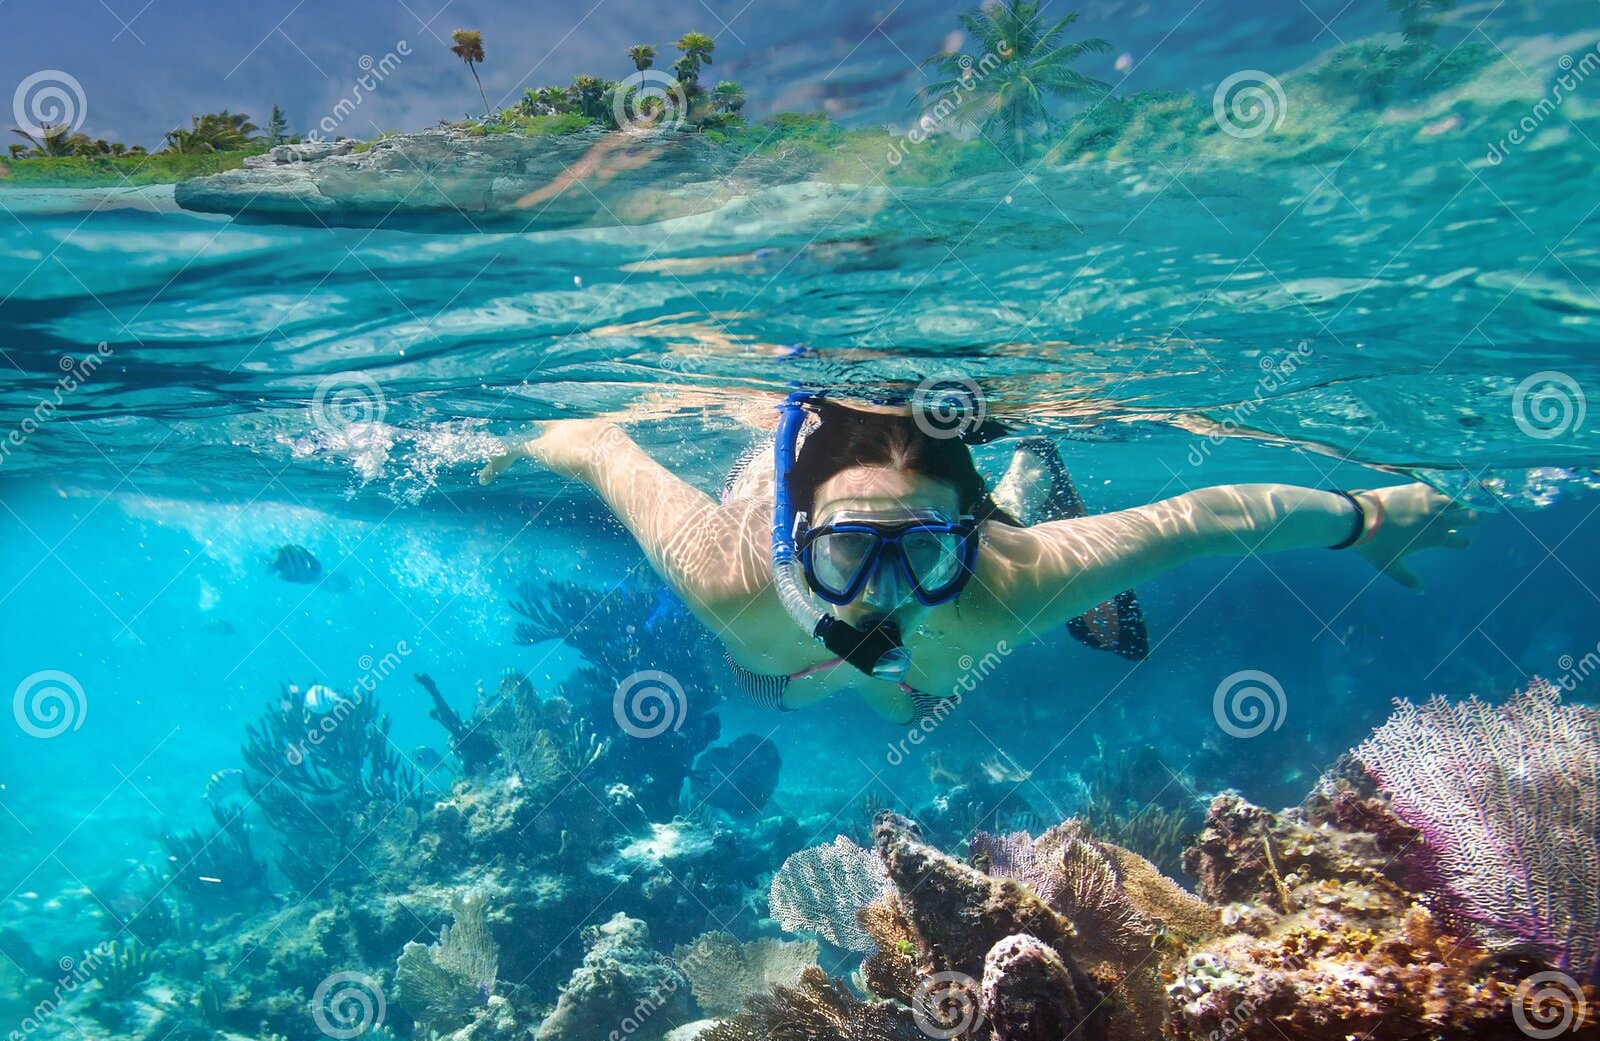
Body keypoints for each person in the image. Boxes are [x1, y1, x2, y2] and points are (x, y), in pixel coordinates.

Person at [480, 393, 1474, 725]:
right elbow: (601, 442)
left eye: (922, 552)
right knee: (811, 681)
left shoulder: (1005, 578)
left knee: (918, 682)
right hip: (780, 664)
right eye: (849, 551)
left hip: (968, 564)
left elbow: (1204, 516)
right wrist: (528, 439)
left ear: (970, 536)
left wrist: (1367, 514)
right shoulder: (730, 578)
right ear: (794, 542)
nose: (885, 593)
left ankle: (1025, 481)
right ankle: (880, 658)